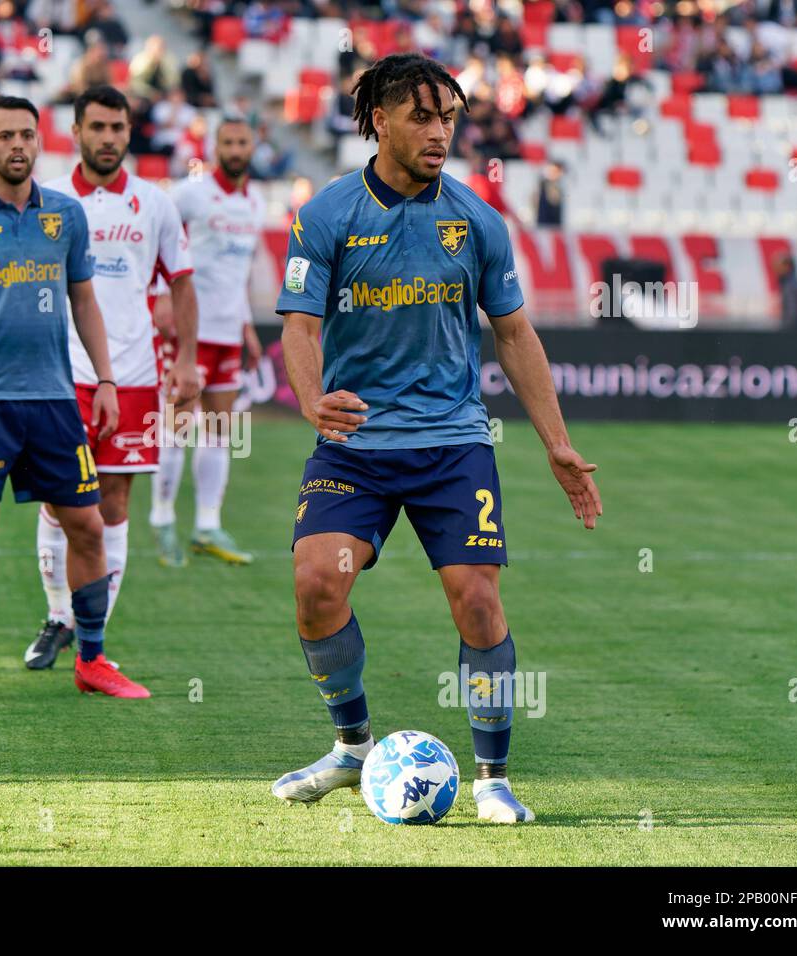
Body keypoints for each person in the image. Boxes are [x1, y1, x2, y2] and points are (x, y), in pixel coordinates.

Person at [274, 53, 602, 824]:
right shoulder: (326, 215)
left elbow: (516, 335)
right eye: (422, 116)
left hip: (453, 444)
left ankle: (492, 779)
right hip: (354, 447)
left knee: (478, 603)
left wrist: (555, 442)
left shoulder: (477, 220)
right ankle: (352, 748)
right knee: (317, 586)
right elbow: (299, 323)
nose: (440, 132)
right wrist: (312, 398)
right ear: (379, 120)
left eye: (449, 117)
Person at [0, 94, 149, 701]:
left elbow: (85, 302)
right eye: (6, 137)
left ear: (39, 143)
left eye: (27, 136)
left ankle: (92, 660)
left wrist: (107, 380)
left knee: (88, 528)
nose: (18, 146)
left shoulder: (65, 216)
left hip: (55, 400)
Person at [27, 85, 200, 670]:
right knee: (59, 501)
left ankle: (92, 633)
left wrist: (185, 359)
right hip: (59, 375)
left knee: (115, 501)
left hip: (132, 377)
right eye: (96, 127)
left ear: (129, 133)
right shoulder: (46, 201)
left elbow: (181, 282)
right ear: (75, 133)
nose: (107, 138)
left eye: (117, 128)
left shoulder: (155, 204)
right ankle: (57, 617)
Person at [150, 117, 264, 567]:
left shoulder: (255, 201)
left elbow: (237, 273)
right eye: (229, 142)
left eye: (243, 142)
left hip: (227, 332)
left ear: (253, 147)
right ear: (217, 147)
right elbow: (156, 237)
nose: (236, 149)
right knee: (176, 428)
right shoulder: (190, 193)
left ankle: (206, 525)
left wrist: (247, 325)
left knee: (221, 430)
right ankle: (162, 522)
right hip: (187, 330)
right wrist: (160, 296)